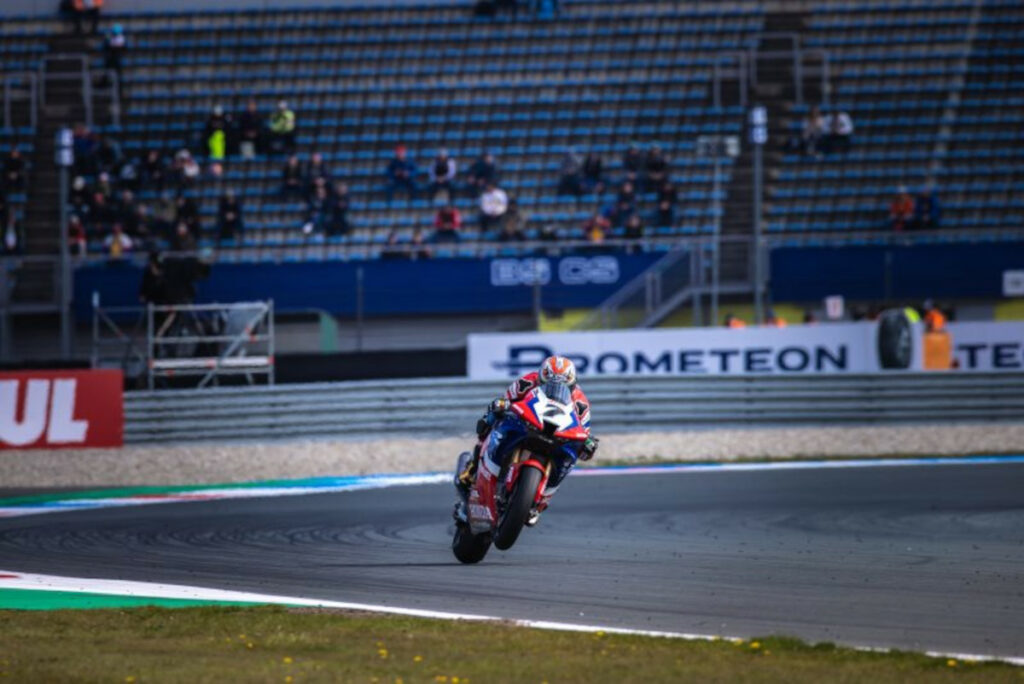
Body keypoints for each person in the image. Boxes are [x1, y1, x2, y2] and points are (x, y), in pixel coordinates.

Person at [455, 355, 597, 527]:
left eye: (562, 383)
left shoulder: (580, 402)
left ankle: (539, 501)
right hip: (526, 423)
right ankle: (471, 472)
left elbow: (584, 430)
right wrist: (497, 409)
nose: (556, 386)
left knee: (571, 456)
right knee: (490, 425)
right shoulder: (527, 382)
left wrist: (588, 443)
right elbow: (506, 398)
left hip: (557, 435)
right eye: (550, 381)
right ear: (541, 376)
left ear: (572, 383)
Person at [103, 23, 126, 90]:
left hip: (116, 59)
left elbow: (122, 47)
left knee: (118, 76)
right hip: (110, 59)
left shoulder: (121, 38)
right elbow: (106, 46)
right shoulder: (109, 37)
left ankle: (119, 89)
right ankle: (105, 83)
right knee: (107, 72)